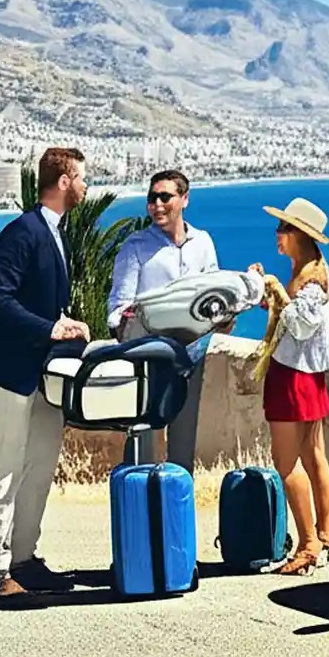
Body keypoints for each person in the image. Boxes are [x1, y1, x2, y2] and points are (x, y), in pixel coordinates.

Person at [0, 147, 91, 602]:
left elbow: (42, 302)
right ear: (63, 181)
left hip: (42, 374)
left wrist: (64, 323)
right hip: (7, 372)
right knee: (6, 468)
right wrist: (51, 327)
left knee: (39, 465)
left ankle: (23, 558)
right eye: (82, 178)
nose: (85, 186)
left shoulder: (54, 233)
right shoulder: (21, 233)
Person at [106, 170, 225, 472]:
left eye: (165, 196)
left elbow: (212, 294)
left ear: (184, 199)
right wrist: (125, 322)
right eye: (151, 198)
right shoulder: (136, 246)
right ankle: (141, 505)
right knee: (144, 437)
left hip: (192, 353)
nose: (156, 204)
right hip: (149, 357)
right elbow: (117, 305)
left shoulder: (204, 243)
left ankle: (177, 504)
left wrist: (223, 317)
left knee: (184, 444)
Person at [249, 197, 329, 576]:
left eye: (284, 228)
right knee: (313, 455)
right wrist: (268, 289)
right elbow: (290, 316)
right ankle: (325, 534)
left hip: (292, 376)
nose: (278, 234)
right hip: (308, 375)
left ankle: (307, 545)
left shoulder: (310, 280)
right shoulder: (310, 272)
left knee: (286, 464)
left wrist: (276, 289)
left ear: (300, 235)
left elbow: (301, 325)